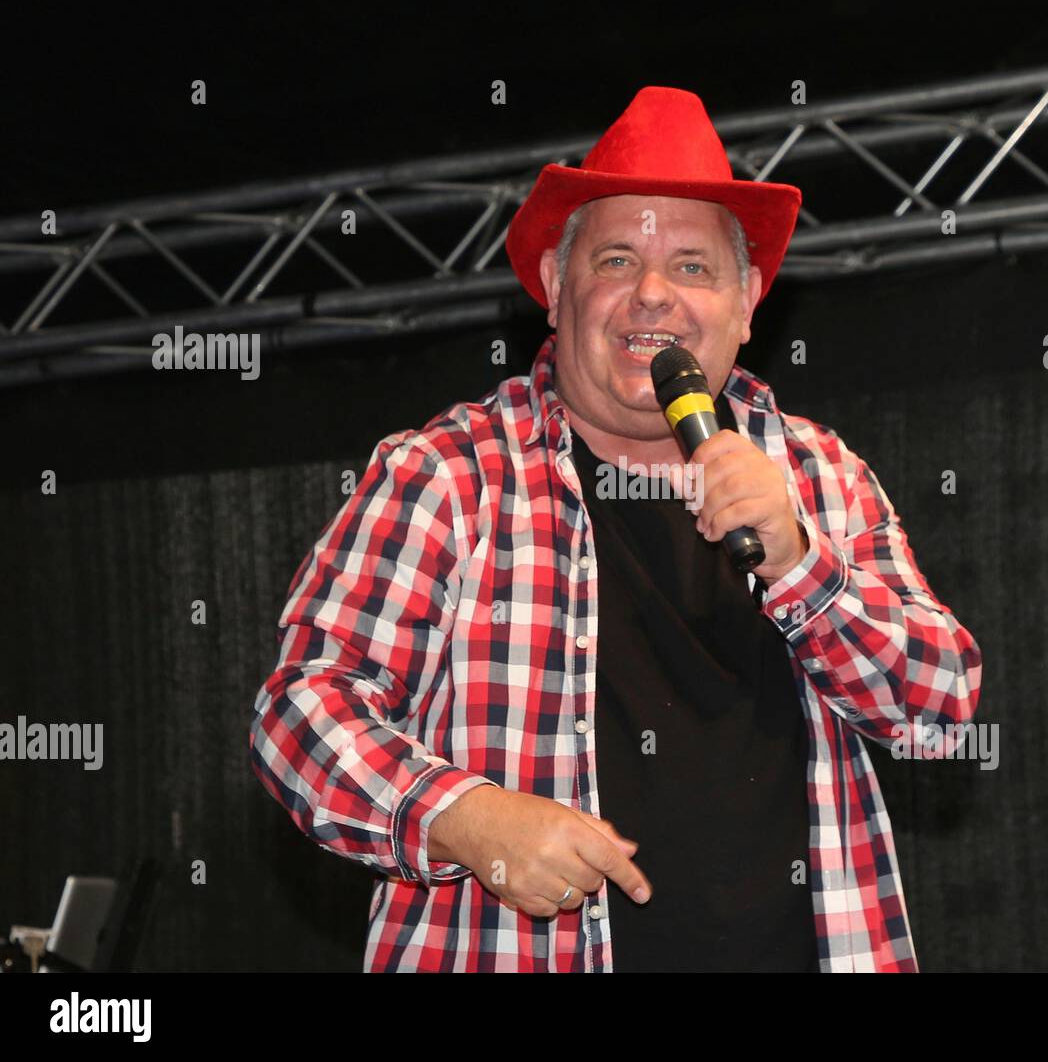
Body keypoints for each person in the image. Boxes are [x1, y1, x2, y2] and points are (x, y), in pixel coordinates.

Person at [249, 86, 982, 973]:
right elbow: (302, 712)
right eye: (616, 262)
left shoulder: (820, 477)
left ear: (748, 302)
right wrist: (464, 816)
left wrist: (800, 563)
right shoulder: (449, 473)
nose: (653, 298)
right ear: (556, 291)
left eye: (694, 268)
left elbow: (940, 713)